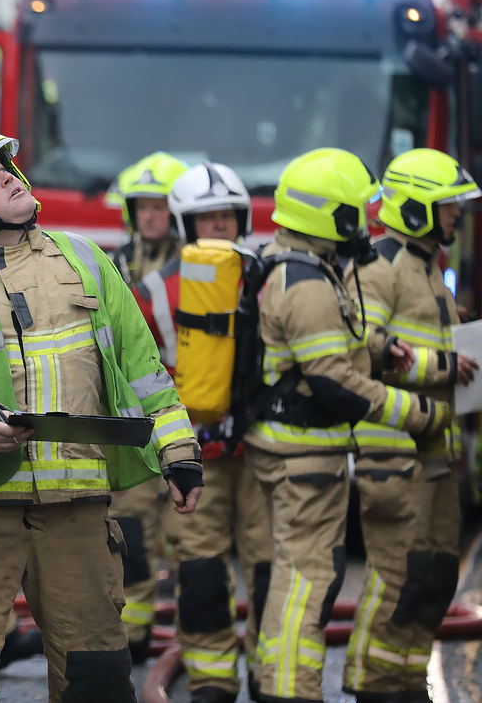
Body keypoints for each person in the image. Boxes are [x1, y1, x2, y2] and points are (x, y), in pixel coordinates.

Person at [0, 129, 203, 703]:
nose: (9, 179)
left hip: (77, 512)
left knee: (98, 677)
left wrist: (179, 453)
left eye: (6, 168)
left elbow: (144, 371)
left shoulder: (85, 259)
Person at [244, 148, 450, 703]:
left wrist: (383, 347)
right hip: (305, 455)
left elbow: (328, 346)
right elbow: (333, 380)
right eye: (357, 210)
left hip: (282, 446)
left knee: (291, 571)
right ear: (332, 216)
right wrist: (417, 412)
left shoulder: (281, 261)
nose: (367, 220)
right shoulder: (309, 283)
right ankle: (290, 690)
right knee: (309, 578)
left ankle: (271, 679)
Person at [343, 148, 479, 703]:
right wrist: (445, 363)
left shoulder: (428, 266)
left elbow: (416, 337)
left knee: (436, 573)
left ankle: (406, 679)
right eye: (448, 206)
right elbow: (364, 348)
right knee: (398, 573)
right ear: (417, 208)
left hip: (438, 449)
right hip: (394, 450)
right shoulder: (378, 266)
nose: (456, 215)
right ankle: (373, 685)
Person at [145, 162, 272, 703]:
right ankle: (212, 681)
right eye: (206, 217)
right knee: (198, 577)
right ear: (185, 224)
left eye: (227, 215)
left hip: (263, 451)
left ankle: (271, 673)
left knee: (271, 572)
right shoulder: (154, 291)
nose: (219, 225)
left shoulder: (269, 277)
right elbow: (141, 375)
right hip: (195, 455)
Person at [107, 150, 188, 661]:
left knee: (189, 542)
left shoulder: (199, 267)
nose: (151, 216)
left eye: (160, 206)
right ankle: (132, 637)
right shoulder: (111, 265)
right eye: (143, 207)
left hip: (186, 417)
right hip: (130, 421)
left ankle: (194, 640)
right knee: (131, 536)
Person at [110, 151, 189, 287]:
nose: (148, 217)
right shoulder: (118, 261)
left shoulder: (193, 262)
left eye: (158, 208)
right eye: (141, 207)